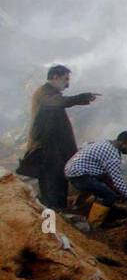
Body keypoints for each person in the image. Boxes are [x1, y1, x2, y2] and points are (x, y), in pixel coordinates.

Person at [18, 65, 101, 210]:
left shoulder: (50, 94)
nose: (67, 84)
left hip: (55, 148)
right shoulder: (43, 93)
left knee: (58, 178)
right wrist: (80, 98)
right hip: (46, 148)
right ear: (55, 77)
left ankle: (58, 210)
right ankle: (54, 211)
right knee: (51, 180)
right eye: (65, 79)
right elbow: (57, 102)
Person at [64, 131, 127, 227]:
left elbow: (107, 177)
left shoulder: (106, 143)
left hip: (70, 170)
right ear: (121, 142)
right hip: (79, 175)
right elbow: (117, 182)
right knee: (110, 196)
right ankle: (94, 223)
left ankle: (77, 206)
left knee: (97, 184)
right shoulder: (113, 156)